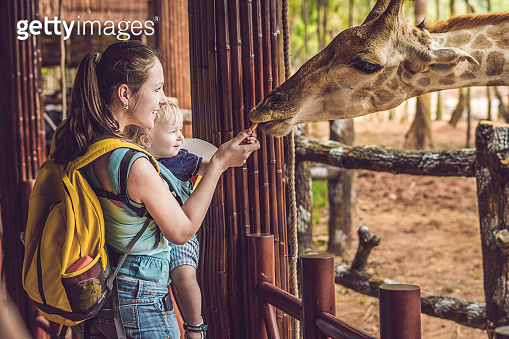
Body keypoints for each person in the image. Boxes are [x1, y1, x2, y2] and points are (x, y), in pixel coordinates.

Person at [52, 41, 259, 338]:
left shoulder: (84, 142)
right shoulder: (130, 162)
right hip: (139, 299)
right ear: (125, 94)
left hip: (102, 294)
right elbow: (182, 230)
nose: (163, 99)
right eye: (157, 88)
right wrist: (218, 165)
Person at [124, 102, 212, 339]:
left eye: (181, 130)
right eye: (173, 131)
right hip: (153, 239)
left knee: (184, 276)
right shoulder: (136, 162)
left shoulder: (181, 159)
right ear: (144, 140)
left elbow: (208, 166)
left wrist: (222, 160)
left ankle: (195, 326)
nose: (181, 138)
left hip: (179, 232)